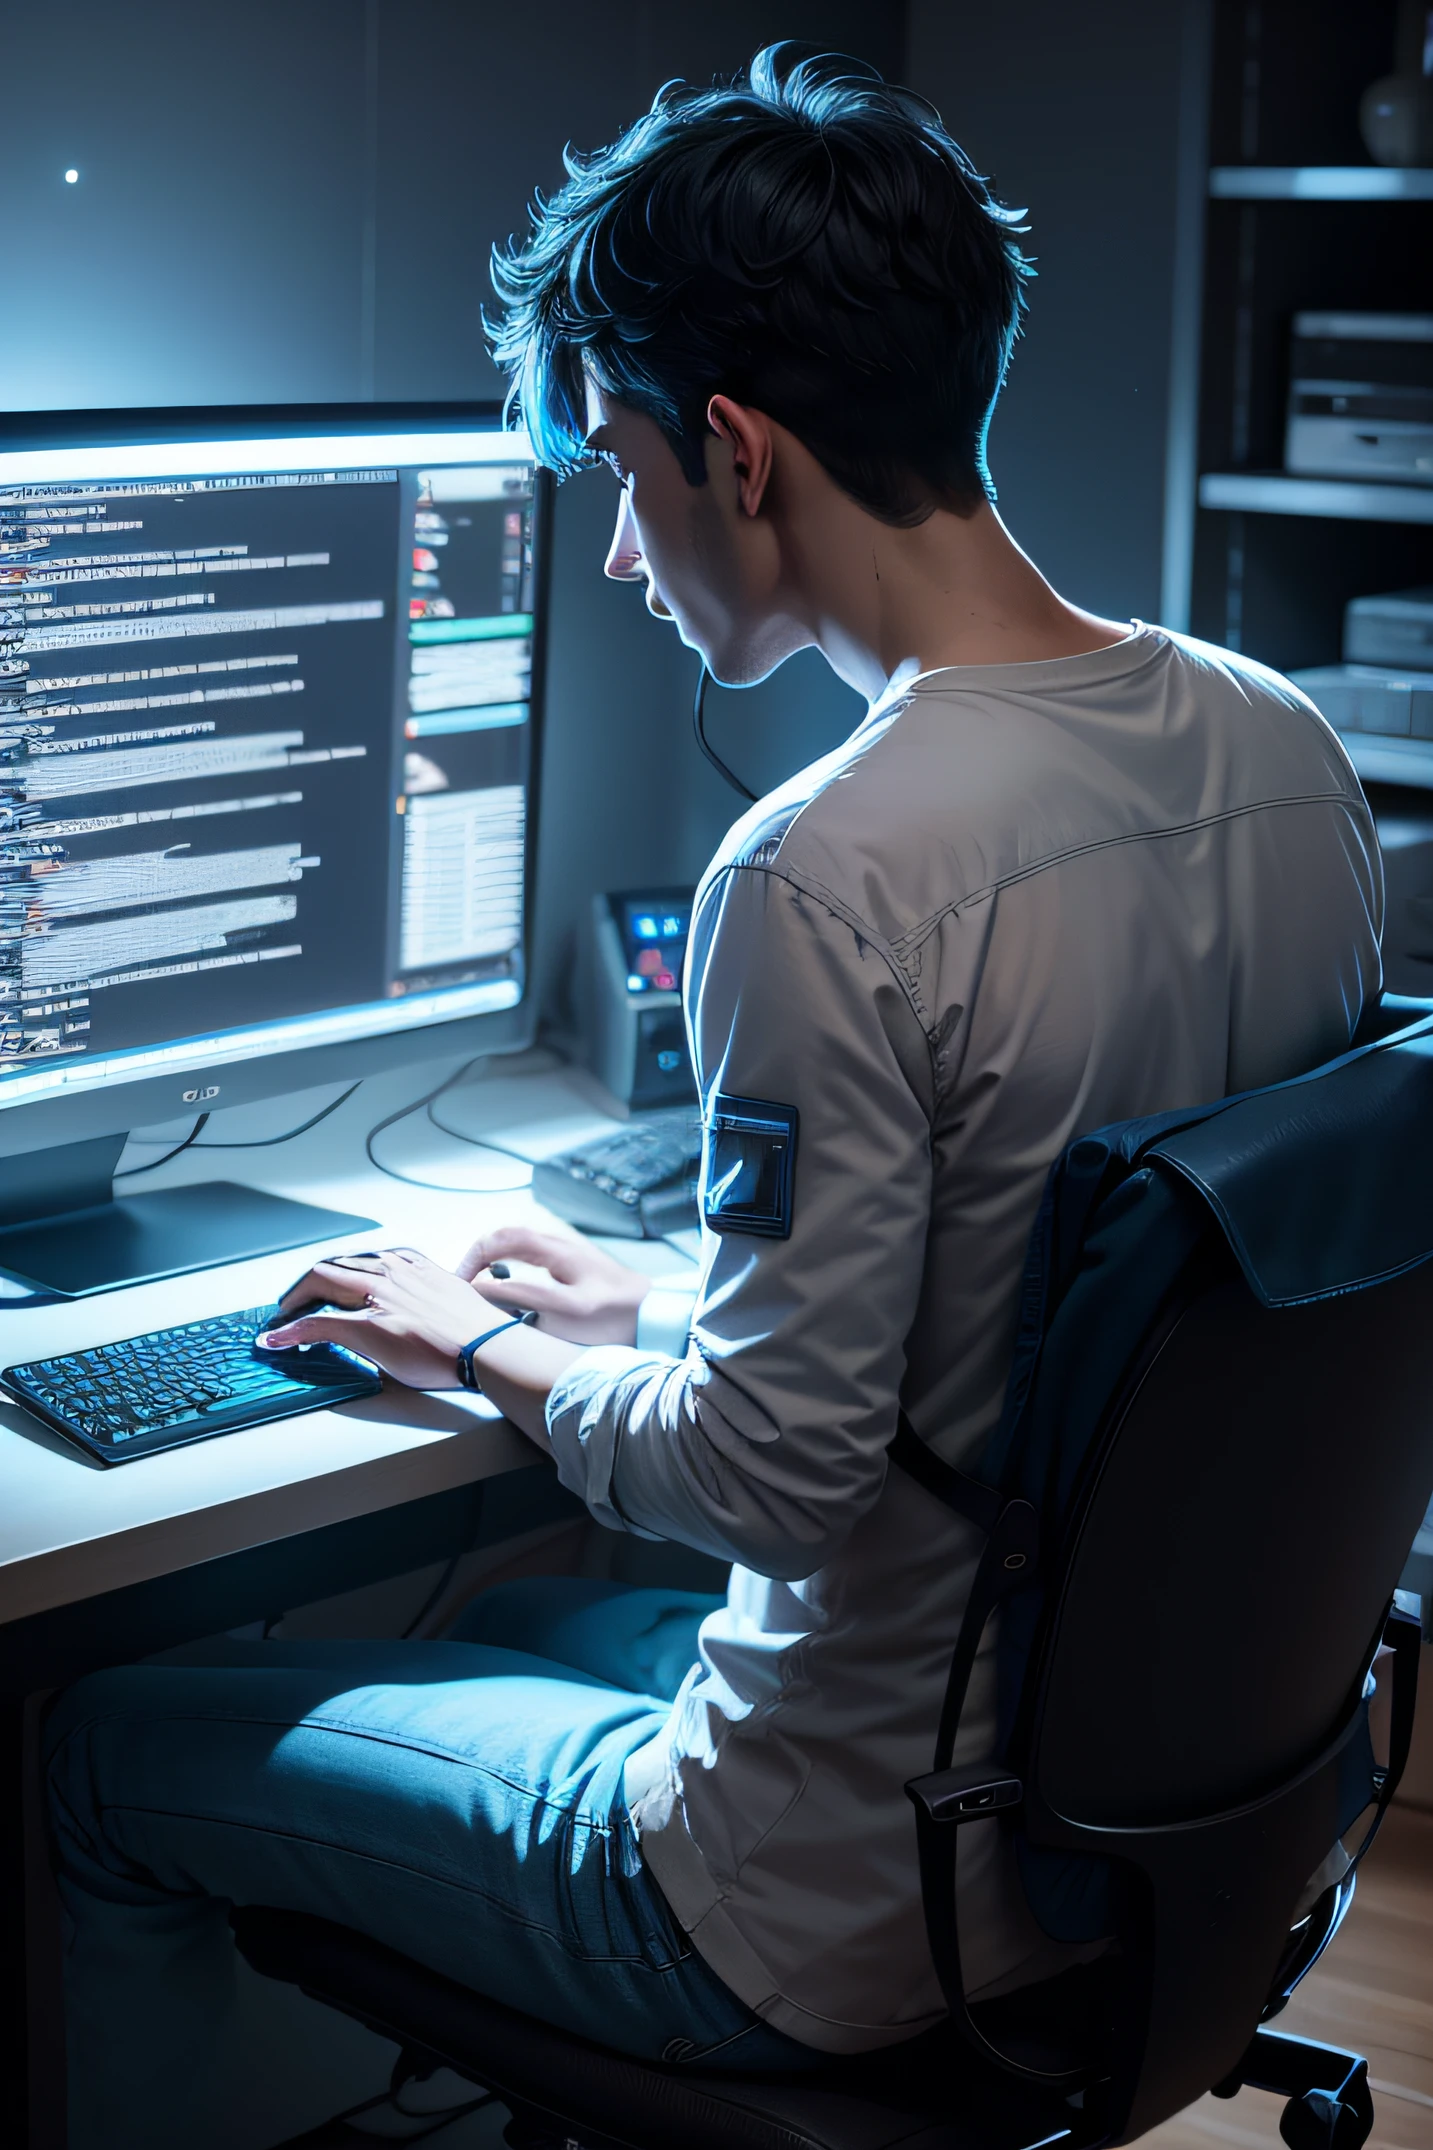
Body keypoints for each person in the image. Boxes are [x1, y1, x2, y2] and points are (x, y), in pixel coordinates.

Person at [45, 43, 1382, 2147]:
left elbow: (769, 1484)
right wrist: (626, 1319)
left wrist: (468, 1338)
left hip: (821, 1914)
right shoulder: (1277, 745)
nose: (609, 555)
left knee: (99, 1749)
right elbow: (1074, 1315)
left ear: (733, 454)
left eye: (609, 475)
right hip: (1130, 1838)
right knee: (546, 1612)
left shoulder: (829, 870)